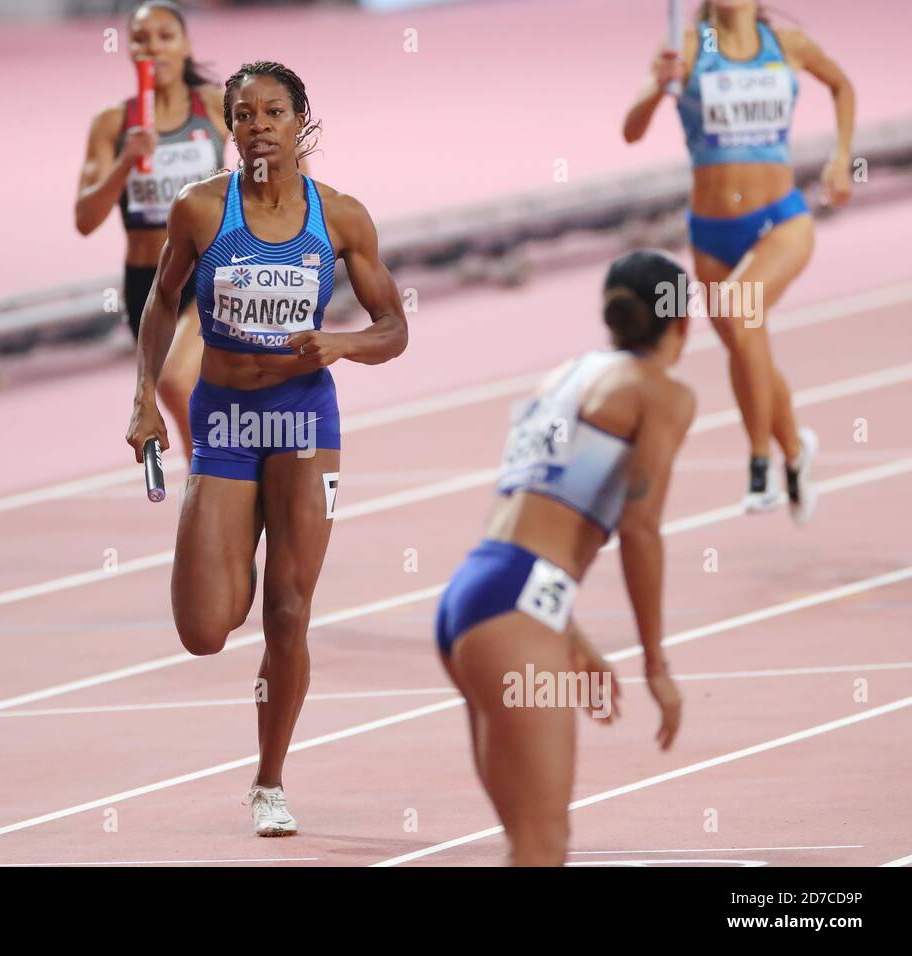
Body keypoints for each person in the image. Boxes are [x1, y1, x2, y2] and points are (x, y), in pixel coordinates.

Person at [125, 61, 407, 836]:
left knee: (288, 610)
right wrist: (145, 396)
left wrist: (342, 344)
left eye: (272, 112)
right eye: (243, 114)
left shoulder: (342, 217)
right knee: (206, 630)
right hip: (223, 421)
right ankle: (234, 555)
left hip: (303, 423)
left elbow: (394, 330)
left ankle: (270, 781)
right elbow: (160, 303)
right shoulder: (199, 211)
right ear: (230, 129)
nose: (257, 126)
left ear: (300, 123)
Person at [435, 250, 695, 866]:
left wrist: (570, 637)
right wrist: (655, 663)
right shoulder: (661, 393)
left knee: (526, 845)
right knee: (544, 844)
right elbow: (640, 530)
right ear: (682, 324)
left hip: (477, 595)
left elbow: (528, 517)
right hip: (518, 614)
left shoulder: (560, 377)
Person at [623, 0, 854, 521]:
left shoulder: (785, 47)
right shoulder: (688, 50)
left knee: (740, 316)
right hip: (710, 235)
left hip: (780, 220)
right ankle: (795, 452)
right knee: (749, 348)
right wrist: (660, 90)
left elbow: (842, 85)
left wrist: (841, 158)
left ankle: (758, 465)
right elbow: (630, 130)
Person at [76, 1, 228, 459]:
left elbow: (284, 159)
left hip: (208, 272)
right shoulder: (113, 123)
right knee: (191, 390)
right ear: (129, 50)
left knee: (177, 380)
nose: (154, 47)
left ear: (185, 44)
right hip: (147, 282)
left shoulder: (216, 106)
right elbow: (85, 220)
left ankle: (208, 476)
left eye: (166, 36)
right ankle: (218, 476)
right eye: (142, 38)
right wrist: (126, 160)